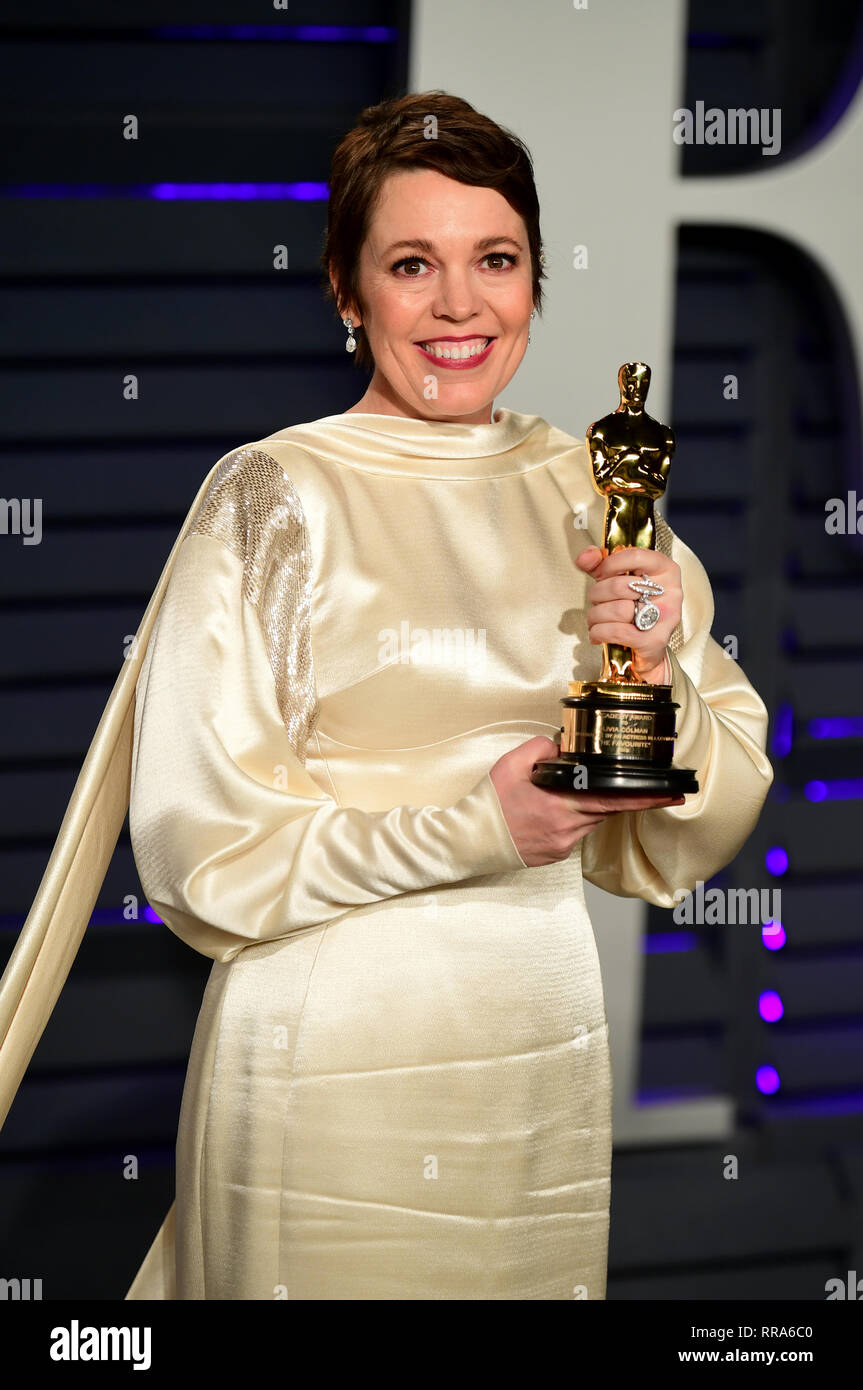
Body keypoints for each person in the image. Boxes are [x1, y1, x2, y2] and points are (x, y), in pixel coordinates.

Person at [0, 91, 772, 1301]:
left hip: (535, 1053)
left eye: (495, 260)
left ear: (532, 278)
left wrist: (660, 665)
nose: (460, 305)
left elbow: (691, 824)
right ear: (347, 294)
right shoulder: (270, 493)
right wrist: (478, 827)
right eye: (412, 264)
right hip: (328, 1063)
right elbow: (198, 853)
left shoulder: (592, 481)